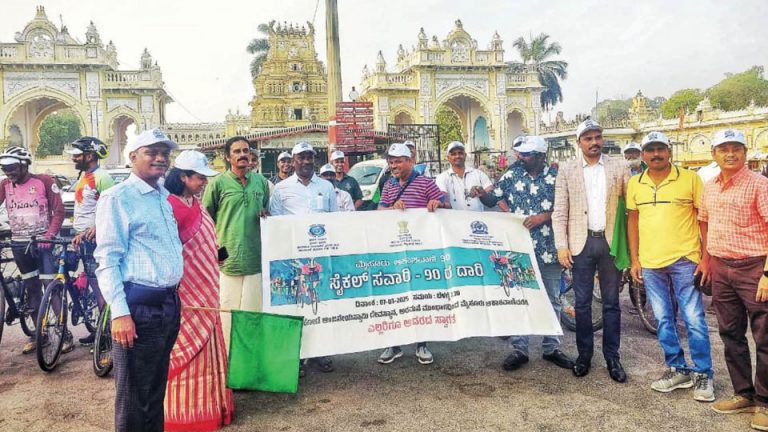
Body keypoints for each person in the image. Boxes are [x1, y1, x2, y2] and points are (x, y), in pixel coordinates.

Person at [95, 128, 184, 432]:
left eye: (165, 153)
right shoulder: (118, 198)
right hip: (139, 309)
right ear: (132, 157)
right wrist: (120, 314)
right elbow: (107, 260)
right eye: (152, 152)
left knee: (155, 389)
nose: (160, 158)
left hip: (168, 305)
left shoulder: (162, 197)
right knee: (133, 397)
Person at [626, 131, 714, 401]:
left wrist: (706, 258)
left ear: (670, 152)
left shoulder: (690, 179)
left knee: (694, 319)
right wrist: (635, 259)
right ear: (643, 155)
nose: (655, 154)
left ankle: (703, 374)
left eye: (660, 149)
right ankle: (677, 369)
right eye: (650, 150)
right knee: (664, 319)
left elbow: (704, 220)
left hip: (685, 260)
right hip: (651, 263)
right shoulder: (635, 183)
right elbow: (632, 221)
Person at [479, 136, 574, 372]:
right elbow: (493, 198)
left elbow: (565, 207)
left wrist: (544, 216)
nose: (521, 157)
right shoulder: (512, 175)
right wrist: (480, 193)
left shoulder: (556, 178)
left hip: (549, 250)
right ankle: (519, 349)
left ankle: (551, 347)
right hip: (518, 249)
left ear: (541, 156)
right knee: (519, 297)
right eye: (520, 154)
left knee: (552, 299)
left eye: (527, 155)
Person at [698, 129, 768, 429]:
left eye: (736, 148)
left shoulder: (759, 185)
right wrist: (707, 259)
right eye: (723, 148)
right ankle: (744, 394)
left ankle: (765, 402)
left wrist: (767, 272)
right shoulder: (710, 187)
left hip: (754, 267)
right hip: (721, 267)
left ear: (745, 152)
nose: (730, 154)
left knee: (764, 337)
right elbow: (705, 222)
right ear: (713, 154)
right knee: (730, 334)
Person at [552, 119, 630, 383]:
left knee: (611, 304)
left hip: (610, 244)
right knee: (583, 304)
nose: (594, 142)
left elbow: (630, 211)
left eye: (597, 137)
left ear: (602, 139)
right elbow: (560, 211)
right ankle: (584, 355)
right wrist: (562, 245)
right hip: (580, 244)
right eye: (588, 138)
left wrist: (628, 250)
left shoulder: (620, 167)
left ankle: (612, 357)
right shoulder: (567, 170)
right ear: (579, 143)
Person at [164, 150, 234, 431]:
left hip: (207, 288)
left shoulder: (194, 202)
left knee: (211, 353)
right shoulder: (170, 206)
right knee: (186, 351)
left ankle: (214, 407)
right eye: (199, 178)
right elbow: (172, 252)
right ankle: (186, 416)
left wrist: (214, 256)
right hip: (188, 296)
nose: (204, 182)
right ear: (183, 177)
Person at [377, 142, 448, 365]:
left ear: (410, 161)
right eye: (391, 161)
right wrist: (391, 209)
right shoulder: (388, 185)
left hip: (420, 251)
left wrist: (438, 203)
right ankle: (395, 344)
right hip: (395, 250)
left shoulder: (426, 182)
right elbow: (379, 211)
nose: (394, 165)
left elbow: (446, 205)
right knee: (395, 296)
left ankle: (422, 344)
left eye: (398, 161)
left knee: (420, 297)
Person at [270, 142, 338, 375]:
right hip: (294, 259)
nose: (307, 161)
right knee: (296, 304)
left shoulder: (327, 186)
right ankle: (297, 355)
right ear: (293, 161)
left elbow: (335, 220)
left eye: (310, 157)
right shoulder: (281, 189)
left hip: (320, 257)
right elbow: (276, 224)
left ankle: (320, 352)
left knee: (321, 303)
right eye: (301, 157)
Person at [202, 136, 270, 354]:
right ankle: (229, 367)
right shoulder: (218, 184)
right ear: (227, 157)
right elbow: (206, 219)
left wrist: (264, 214)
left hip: (255, 259)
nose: (242, 155)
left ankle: (249, 366)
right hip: (227, 261)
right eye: (237, 151)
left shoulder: (260, 182)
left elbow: (267, 210)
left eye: (246, 151)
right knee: (227, 316)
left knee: (253, 315)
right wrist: (216, 251)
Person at [0, 146, 66, 354]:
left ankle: (64, 334)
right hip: (19, 244)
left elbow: (59, 211)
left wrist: (50, 235)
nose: (8, 172)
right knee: (32, 289)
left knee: (50, 287)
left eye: (12, 167)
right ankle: (40, 334)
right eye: (4, 168)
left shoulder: (45, 182)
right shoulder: (4, 185)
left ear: (24, 165)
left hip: (43, 244)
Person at [66, 136, 114, 345]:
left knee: (100, 287)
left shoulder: (102, 177)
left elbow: (111, 209)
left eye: (77, 155)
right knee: (92, 286)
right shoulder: (84, 176)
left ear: (90, 155)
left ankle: (106, 335)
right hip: (82, 238)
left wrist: (95, 228)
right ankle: (100, 330)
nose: (74, 158)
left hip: (95, 240)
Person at [435, 141, 493, 211]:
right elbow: (443, 200)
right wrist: (442, 203)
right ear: (448, 157)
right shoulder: (442, 178)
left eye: (460, 153)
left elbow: (491, 196)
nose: (457, 156)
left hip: (477, 219)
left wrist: (482, 193)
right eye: (453, 154)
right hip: (454, 220)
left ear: (465, 155)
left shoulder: (478, 174)